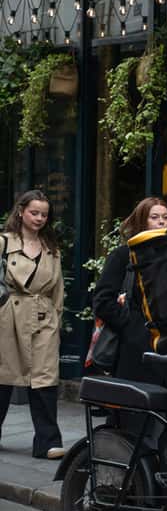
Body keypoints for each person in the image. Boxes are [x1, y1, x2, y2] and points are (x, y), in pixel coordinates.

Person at [0, 190, 66, 460]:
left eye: (44, 214)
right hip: (8, 317)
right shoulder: (4, 242)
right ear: (21, 211)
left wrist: (56, 322)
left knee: (45, 380)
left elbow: (58, 290)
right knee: (3, 379)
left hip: (43, 318)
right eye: (34, 212)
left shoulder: (51, 248)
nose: (39, 218)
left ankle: (48, 442)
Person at [90, 197, 167, 384]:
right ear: (142, 221)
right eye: (155, 217)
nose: (161, 222)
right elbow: (102, 300)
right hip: (132, 347)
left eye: (165, 217)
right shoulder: (123, 255)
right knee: (132, 403)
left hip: (164, 343)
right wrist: (129, 324)